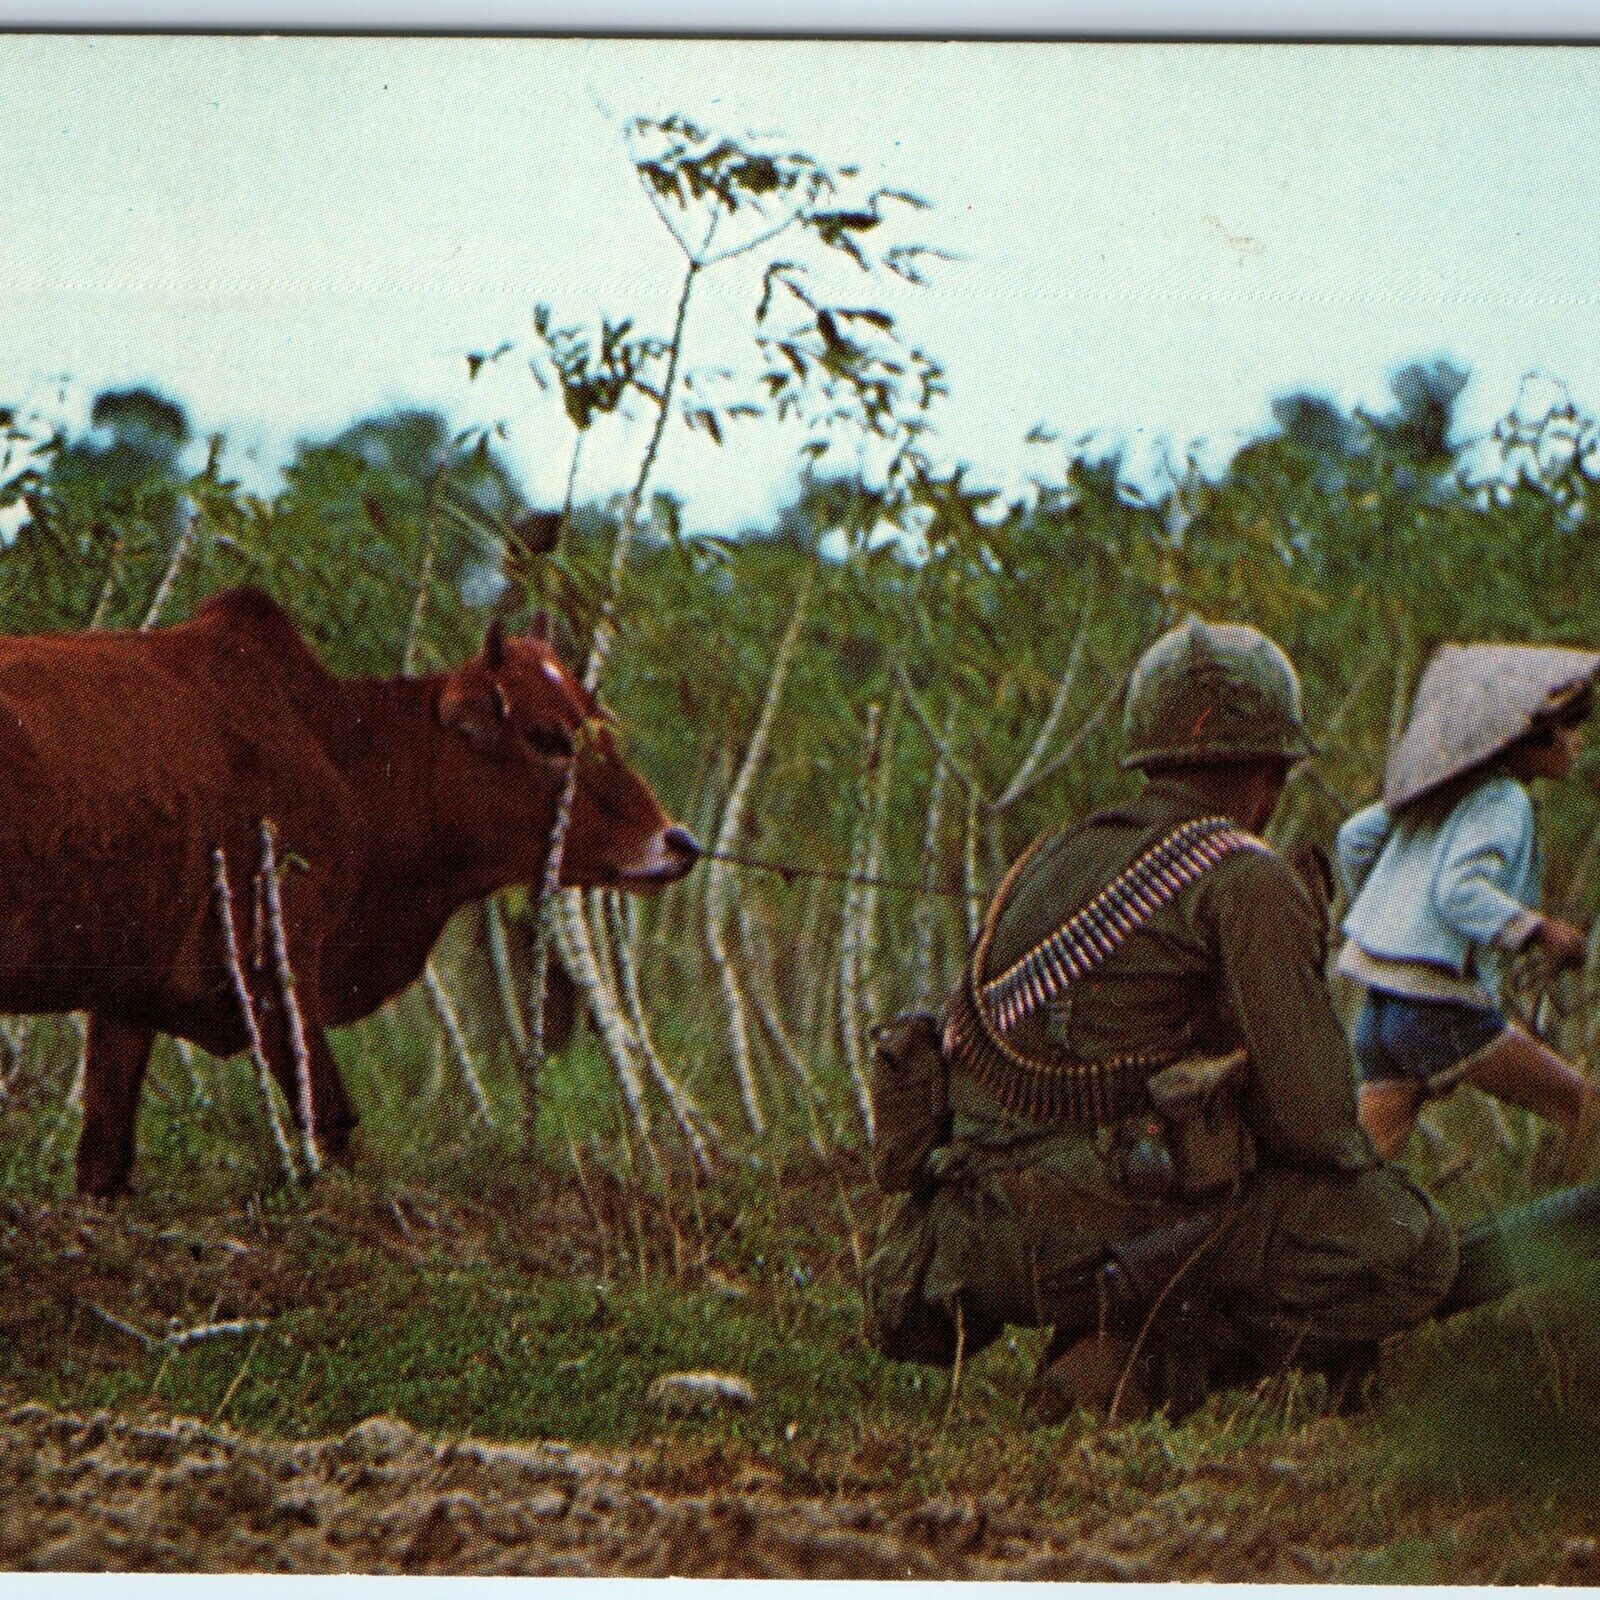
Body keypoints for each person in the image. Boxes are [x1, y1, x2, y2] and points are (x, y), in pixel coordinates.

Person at [863, 616, 1458, 1419]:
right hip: (1092, 1236)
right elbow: (1317, 1125)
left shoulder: (1050, 853)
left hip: (965, 1237)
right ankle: (1129, 1365)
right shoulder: (1241, 875)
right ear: (1269, 774)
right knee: (1408, 1244)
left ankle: (1109, 1334)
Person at [1335, 644, 1600, 1179]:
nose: (1578, 742)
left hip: (1380, 1010)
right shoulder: (1506, 800)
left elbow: (1354, 839)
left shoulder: (1438, 793)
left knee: (1357, 1174)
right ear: (1530, 732)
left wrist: (1394, 919)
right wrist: (1537, 930)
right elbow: (1459, 890)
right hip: (1438, 1007)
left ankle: (1318, 1257)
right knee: (1585, 1108)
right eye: (1569, 728)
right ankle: (1575, 1254)